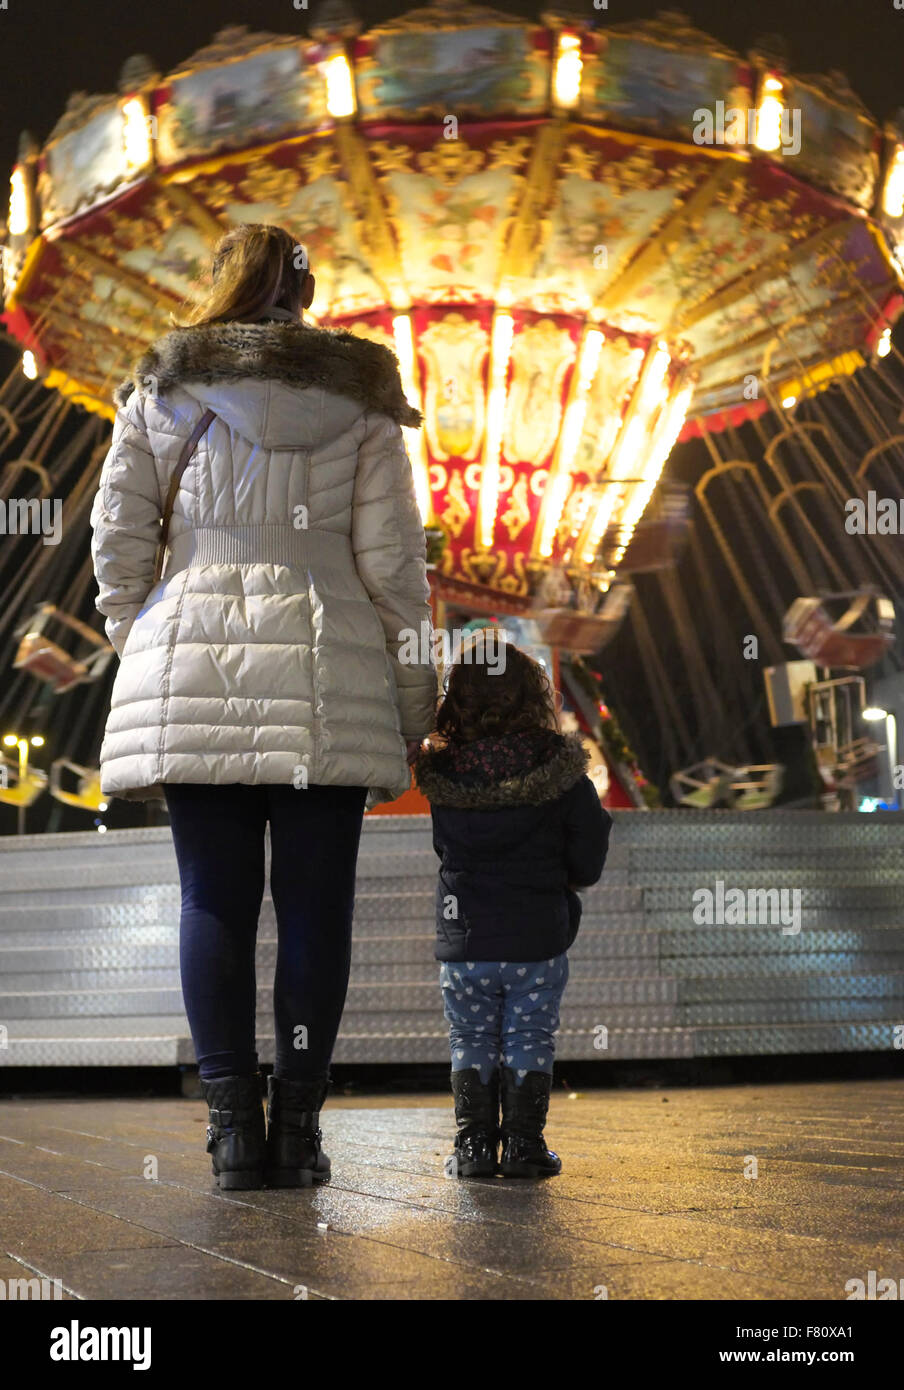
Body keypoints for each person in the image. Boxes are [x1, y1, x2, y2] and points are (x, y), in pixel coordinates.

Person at [90, 223, 436, 1190]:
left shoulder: (161, 395)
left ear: (218, 284)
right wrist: (414, 701)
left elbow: (119, 548)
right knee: (318, 909)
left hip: (187, 656)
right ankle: (300, 1129)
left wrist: (149, 641)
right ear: (307, 292)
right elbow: (395, 572)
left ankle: (233, 1133)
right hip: (330, 666)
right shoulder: (363, 404)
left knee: (215, 901)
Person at [414, 640, 611, 1179]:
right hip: (537, 938)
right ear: (533, 698)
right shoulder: (562, 774)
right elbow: (588, 856)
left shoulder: (445, 779)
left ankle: (474, 1148)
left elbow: (445, 851)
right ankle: (524, 1145)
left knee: (470, 1038)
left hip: (465, 942)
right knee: (529, 1037)